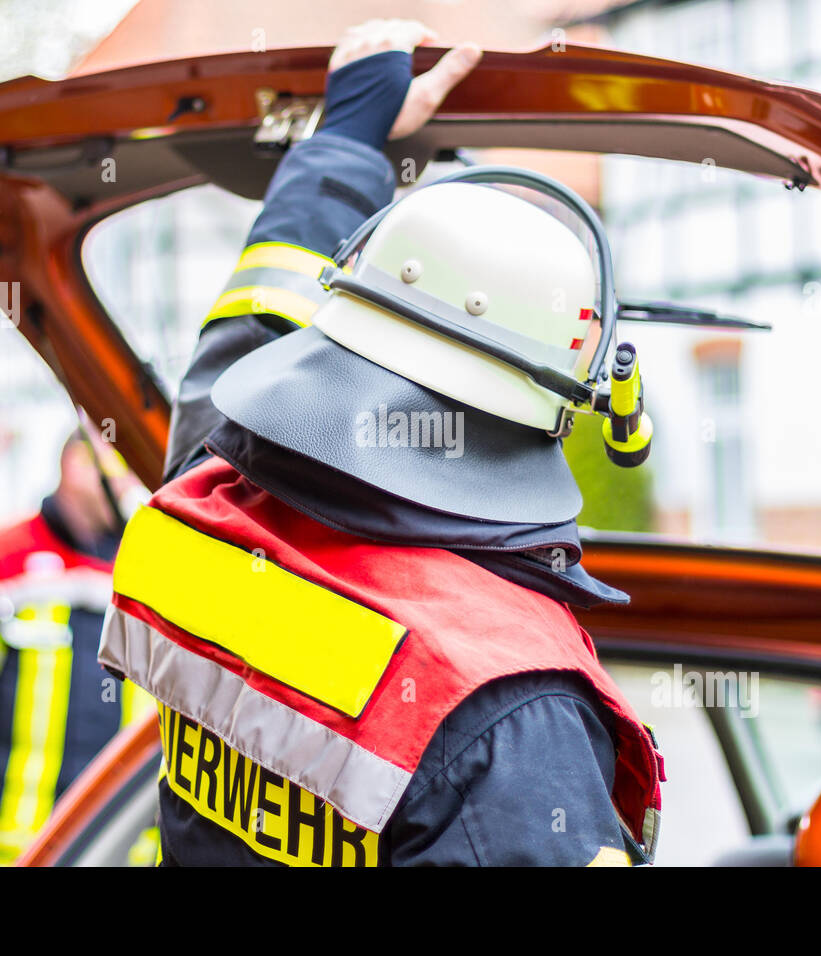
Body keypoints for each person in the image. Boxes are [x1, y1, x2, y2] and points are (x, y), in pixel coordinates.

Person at [99, 18, 664, 866]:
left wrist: (347, 139)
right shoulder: (511, 706)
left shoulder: (209, 520)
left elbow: (241, 342)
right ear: (555, 400)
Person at [0, 429, 149, 865]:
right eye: (119, 468)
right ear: (77, 465)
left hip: (128, 855)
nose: (127, 484)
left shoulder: (148, 570)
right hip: (19, 852)